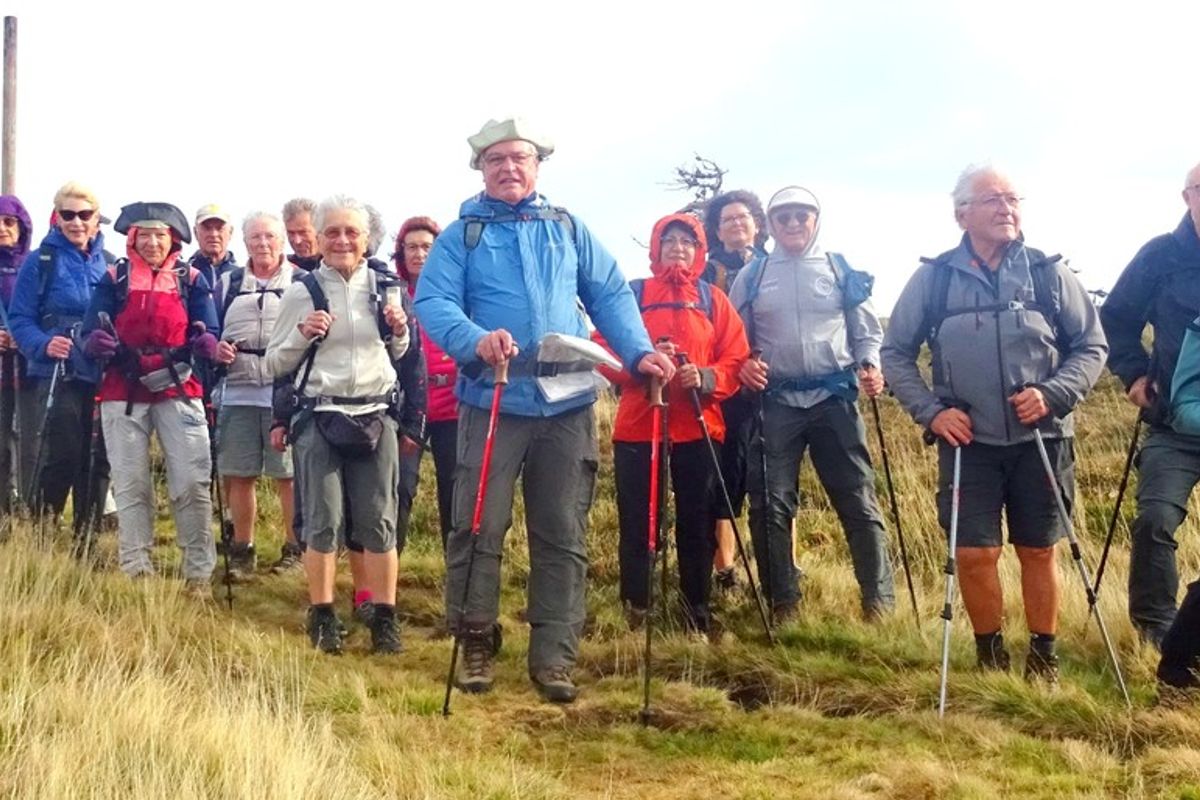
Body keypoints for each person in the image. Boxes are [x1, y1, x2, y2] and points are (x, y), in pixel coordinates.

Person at [415, 117, 673, 703]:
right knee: (478, 525)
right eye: (497, 159)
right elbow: (432, 299)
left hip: (568, 403)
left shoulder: (569, 228)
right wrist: (473, 339)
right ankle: (475, 637)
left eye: (521, 158)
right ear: (481, 169)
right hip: (493, 397)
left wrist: (639, 354)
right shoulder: (462, 234)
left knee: (562, 530)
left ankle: (555, 655)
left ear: (537, 167)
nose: (510, 167)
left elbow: (608, 293)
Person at [881, 164, 1107, 680]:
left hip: (1042, 438)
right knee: (974, 551)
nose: (1006, 208)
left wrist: (1053, 394)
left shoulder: (1049, 274)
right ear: (962, 213)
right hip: (968, 443)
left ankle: (1043, 657)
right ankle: (990, 657)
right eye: (992, 199)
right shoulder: (933, 278)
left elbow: (1092, 345)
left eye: (1012, 198)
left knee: (1038, 548)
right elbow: (895, 352)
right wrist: (933, 412)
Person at [730, 185, 895, 622]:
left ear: (815, 219)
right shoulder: (755, 275)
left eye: (801, 215)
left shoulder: (839, 269)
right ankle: (783, 603)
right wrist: (744, 365)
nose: (792, 224)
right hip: (777, 399)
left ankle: (878, 602)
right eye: (783, 217)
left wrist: (870, 365)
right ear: (771, 224)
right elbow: (735, 337)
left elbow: (867, 330)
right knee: (769, 502)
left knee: (857, 498)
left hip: (834, 397)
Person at [264, 195, 410, 655]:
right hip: (321, 414)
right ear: (321, 238)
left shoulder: (386, 287)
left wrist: (400, 330)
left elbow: (400, 353)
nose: (343, 240)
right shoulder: (301, 292)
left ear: (367, 239)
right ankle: (323, 614)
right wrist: (301, 333)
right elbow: (274, 363)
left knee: (379, 521)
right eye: (333, 232)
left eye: (352, 232)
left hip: (375, 413)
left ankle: (384, 617)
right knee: (323, 521)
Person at [598, 213, 749, 639]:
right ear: (655, 248)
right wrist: (640, 363)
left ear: (700, 250)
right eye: (670, 241)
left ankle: (696, 611)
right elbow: (602, 346)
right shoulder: (633, 294)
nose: (678, 248)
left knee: (697, 522)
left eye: (687, 241)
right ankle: (637, 606)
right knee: (639, 520)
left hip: (698, 427)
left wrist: (705, 377)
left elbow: (736, 357)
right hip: (640, 424)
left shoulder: (713, 299)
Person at [80, 202, 221, 596]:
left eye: (161, 235)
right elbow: (90, 328)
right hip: (122, 389)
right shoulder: (115, 277)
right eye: (145, 234)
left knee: (192, 482)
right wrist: (92, 341)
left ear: (172, 239)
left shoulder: (191, 279)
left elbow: (209, 325)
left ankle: (198, 574)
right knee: (130, 483)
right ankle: (137, 569)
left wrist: (209, 339)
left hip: (178, 387)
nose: (153, 242)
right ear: (133, 238)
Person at [1100, 161, 1200, 648]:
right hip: (1171, 426)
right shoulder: (1159, 256)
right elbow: (1115, 319)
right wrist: (1134, 375)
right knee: (1155, 521)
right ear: (1187, 196)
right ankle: (1156, 631)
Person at [9, 183, 110, 542]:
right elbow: (19, 319)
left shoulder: (110, 264)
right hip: (57, 371)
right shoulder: (41, 261)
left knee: (98, 458)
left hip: (101, 372)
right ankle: (42, 532)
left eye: (84, 215)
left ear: (97, 219)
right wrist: (42, 344)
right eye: (68, 214)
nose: (76, 222)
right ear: (57, 217)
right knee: (64, 452)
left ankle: (88, 540)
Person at [213, 212, 298, 581]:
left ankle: (295, 549)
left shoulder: (303, 282)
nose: (262, 244)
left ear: (282, 241)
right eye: (254, 238)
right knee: (239, 473)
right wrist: (217, 350)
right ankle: (242, 550)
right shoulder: (228, 282)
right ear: (244, 242)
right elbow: (211, 328)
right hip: (238, 390)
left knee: (289, 476)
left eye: (269, 237)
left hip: (285, 395)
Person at [700, 190, 769, 590]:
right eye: (727, 220)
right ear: (717, 230)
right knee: (725, 475)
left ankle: (782, 566)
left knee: (775, 478)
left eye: (743, 217)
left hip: (775, 385)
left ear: (757, 224)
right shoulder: (707, 274)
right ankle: (725, 568)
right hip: (727, 389)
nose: (736, 224)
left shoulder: (777, 266)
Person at [393, 215, 456, 547]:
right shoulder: (392, 293)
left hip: (453, 405)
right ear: (400, 253)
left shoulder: (458, 292)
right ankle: (385, 576)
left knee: (455, 490)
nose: (419, 254)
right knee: (400, 487)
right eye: (411, 247)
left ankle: (457, 579)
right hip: (408, 406)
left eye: (427, 247)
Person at [0, 194, 32, 514]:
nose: (2, 228)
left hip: (27, 366)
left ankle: (26, 509)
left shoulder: (34, 266)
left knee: (27, 440)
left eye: (9, 222)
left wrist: (22, 337)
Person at [283, 197, 320, 271]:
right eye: (291, 233)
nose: (297, 241)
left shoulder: (339, 266)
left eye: (303, 233)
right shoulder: (284, 268)